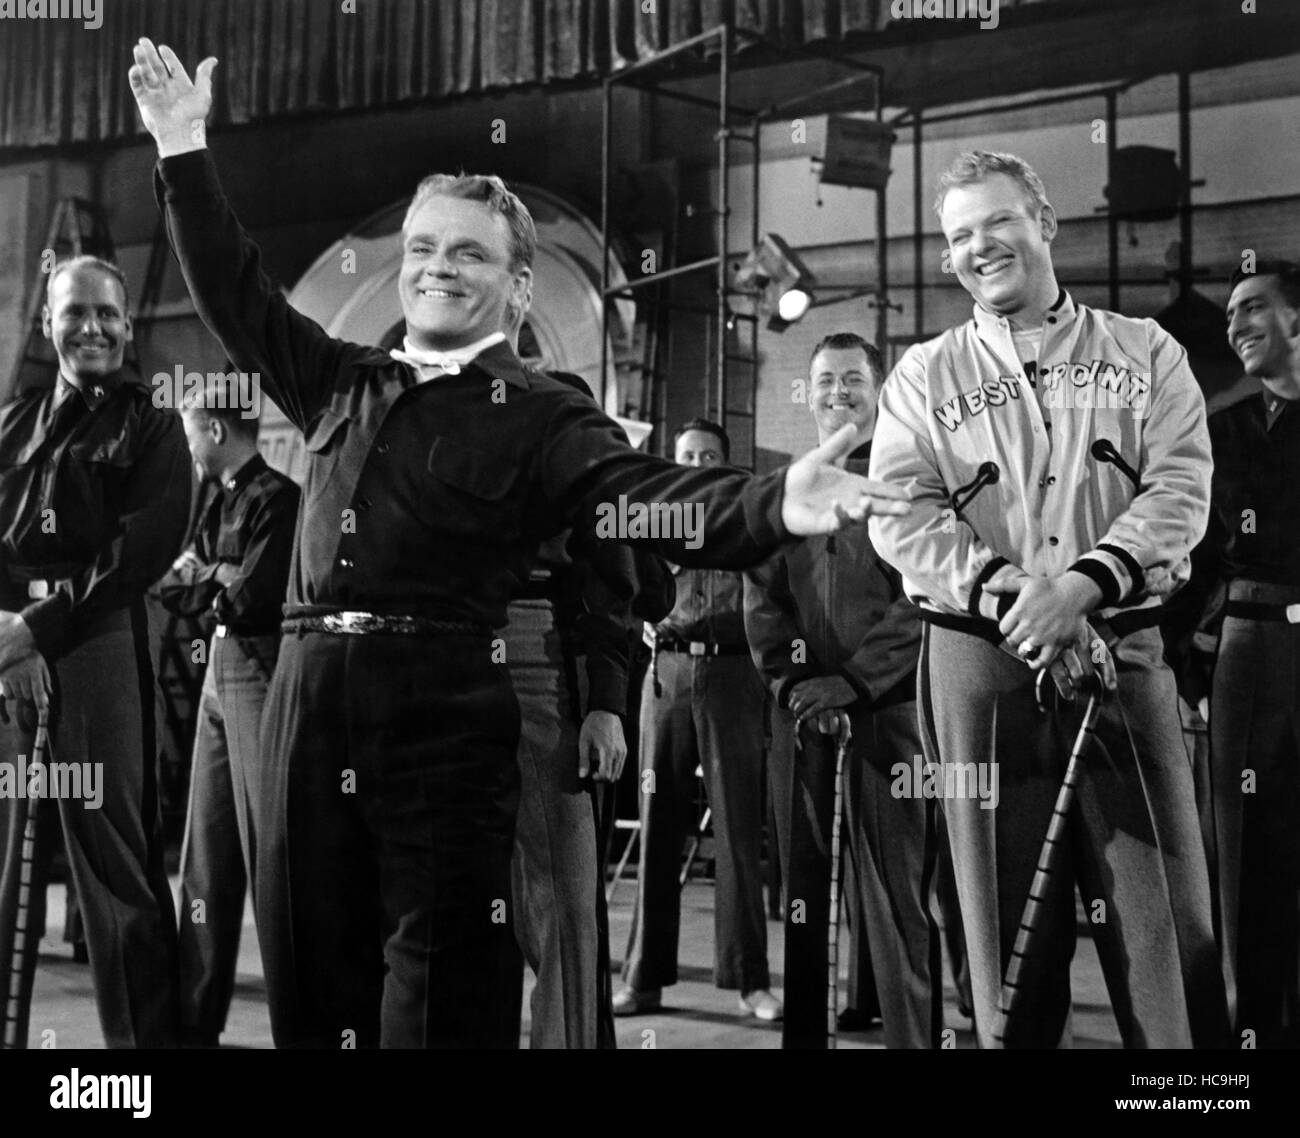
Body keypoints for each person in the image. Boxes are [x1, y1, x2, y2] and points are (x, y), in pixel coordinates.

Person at [129, 38, 908, 1048]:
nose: (438, 268)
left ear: (520, 285)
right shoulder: (337, 377)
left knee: (441, 991)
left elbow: (640, 495)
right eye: (422, 248)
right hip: (305, 698)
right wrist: (183, 148)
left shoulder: (544, 413)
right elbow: (232, 290)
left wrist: (770, 502)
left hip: (446, 711)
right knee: (313, 987)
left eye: (468, 253)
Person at [868, 150, 1228, 1048]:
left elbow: (1181, 488)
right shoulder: (922, 374)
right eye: (958, 236)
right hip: (979, 663)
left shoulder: (1148, 351)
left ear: (1045, 223)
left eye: (998, 222)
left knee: (1168, 930)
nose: (979, 246)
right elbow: (900, 515)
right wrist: (1012, 594)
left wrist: (1083, 584)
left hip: (1124, 650)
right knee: (1003, 939)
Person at [0, 254, 190, 1048]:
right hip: (9, 648)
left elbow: (139, 551)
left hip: (99, 642)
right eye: (75, 312)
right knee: (4, 869)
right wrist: (11, 632)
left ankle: (141, 1068)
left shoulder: (150, 425)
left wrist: (39, 631)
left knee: (113, 865)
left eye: (109, 314)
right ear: (48, 322)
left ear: (128, 326)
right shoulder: (13, 424)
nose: (94, 328)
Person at [745, 332, 946, 1048]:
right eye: (825, 381)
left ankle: (912, 1039)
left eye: (853, 380)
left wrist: (853, 685)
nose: (838, 394)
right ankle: (806, 1037)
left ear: (879, 387)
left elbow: (919, 603)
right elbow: (762, 603)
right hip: (802, 718)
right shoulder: (782, 493)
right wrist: (799, 683)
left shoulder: (909, 485)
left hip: (889, 717)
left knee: (897, 897)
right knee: (804, 896)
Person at [615, 419, 781, 1022]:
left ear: (727, 462)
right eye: (689, 455)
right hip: (668, 677)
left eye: (710, 454)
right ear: (674, 460)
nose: (699, 462)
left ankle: (751, 982)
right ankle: (643, 980)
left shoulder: (748, 518)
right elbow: (619, 580)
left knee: (739, 833)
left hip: (737, 678)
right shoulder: (654, 518)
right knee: (658, 828)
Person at [158, 377, 300, 1047]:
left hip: (258, 673)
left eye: (190, 431)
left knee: (266, 852)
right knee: (205, 854)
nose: (188, 446)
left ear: (215, 428)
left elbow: (250, 599)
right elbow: (188, 588)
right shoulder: (217, 505)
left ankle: (300, 1023)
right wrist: (214, 579)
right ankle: (194, 1024)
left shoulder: (281, 499)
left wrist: (209, 580)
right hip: (219, 668)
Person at [1182, 260, 1300, 1047]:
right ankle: (1250, 1037)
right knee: (1246, 857)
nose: (1236, 325)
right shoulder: (1222, 433)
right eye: (1229, 316)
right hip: (1249, 658)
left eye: (1253, 307)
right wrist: (1191, 671)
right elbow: (1197, 565)